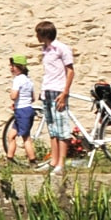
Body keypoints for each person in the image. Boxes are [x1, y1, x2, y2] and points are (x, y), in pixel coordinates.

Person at [36, 19, 77, 173]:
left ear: (44, 33)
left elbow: (70, 70)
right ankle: (53, 161)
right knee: (52, 128)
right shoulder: (45, 50)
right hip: (47, 90)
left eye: (38, 33)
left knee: (62, 128)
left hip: (58, 91)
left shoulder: (61, 48)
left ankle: (61, 163)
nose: (36, 37)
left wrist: (65, 92)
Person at [5, 53, 37, 164]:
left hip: (22, 111)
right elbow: (33, 98)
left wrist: (12, 95)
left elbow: (14, 96)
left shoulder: (18, 80)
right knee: (11, 135)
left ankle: (33, 160)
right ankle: (9, 159)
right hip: (26, 109)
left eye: (12, 66)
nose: (11, 68)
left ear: (19, 67)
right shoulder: (29, 81)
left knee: (26, 138)